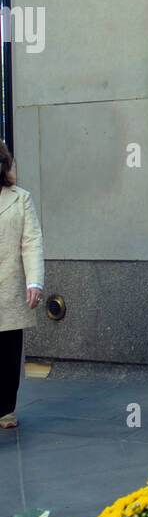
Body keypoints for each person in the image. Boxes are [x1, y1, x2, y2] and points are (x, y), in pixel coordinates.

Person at [0, 142, 44, 429]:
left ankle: (5, 409)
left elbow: (32, 242)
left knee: (7, 351)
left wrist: (35, 281)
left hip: (9, 286)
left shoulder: (20, 199)